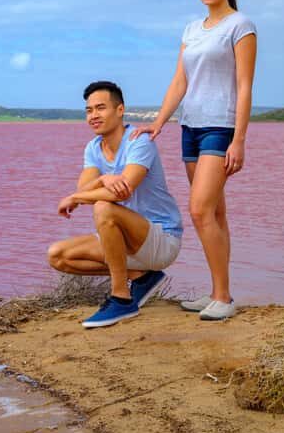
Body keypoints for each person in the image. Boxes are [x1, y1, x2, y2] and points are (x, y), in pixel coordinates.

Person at [132, 0, 257, 320]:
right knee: (215, 212)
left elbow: (245, 86)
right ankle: (219, 292)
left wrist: (240, 140)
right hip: (191, 127)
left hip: (221, 126)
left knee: (200, 210)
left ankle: (224, 299)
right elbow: (180, 81)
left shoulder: (241, 25)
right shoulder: (191, 29)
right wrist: (159, 122)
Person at [48, 81, 183, 328]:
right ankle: (140, 278)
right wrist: (101, 179)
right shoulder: (93, 148)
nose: (93, 116)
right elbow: (84, 189)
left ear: (120, 110)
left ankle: (121, 298)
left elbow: (120, 193)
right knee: (58, 256)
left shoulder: (139, 141)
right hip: (126, 242)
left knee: (103, 207)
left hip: (161, 238)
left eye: (101, 108)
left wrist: (78, 198)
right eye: (89, 110)